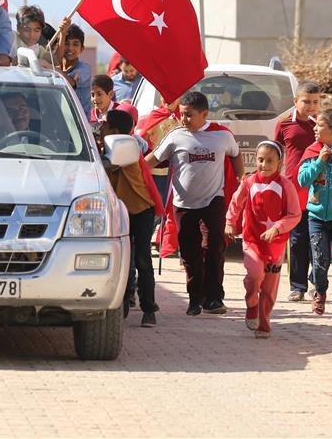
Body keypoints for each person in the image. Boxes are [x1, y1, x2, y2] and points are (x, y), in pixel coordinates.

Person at [146, 91, 244, 316]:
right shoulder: (175, 136)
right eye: (182, 114)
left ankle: (214, 297)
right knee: (189, 253)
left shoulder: (222, 135)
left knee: (214, 247)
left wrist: (241, 179)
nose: (184, 120)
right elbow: (152, 159)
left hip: (213, 200)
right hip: (183, 204)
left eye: (189, 115)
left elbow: (236, 155)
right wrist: (133, 169)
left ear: (204, 114)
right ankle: (195, 298)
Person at [225, 141, 302, 337]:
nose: (264, 165)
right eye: (260, 160)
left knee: (269, 287)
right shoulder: (249, 182)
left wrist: (277, 228)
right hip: (252, 239)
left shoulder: (286, 185)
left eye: (270, 161)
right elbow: (236, 202)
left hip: (275, 244)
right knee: (254, 275)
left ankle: (263, 323)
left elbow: (295, 214)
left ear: (280, 162)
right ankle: (251, 304)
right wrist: (230, 222)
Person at [101, 109, 164, 327]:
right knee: (122, 259)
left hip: (139, 211)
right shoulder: (111, 146)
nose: (101, 129)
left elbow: (105, 166)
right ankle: (126, 300)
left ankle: (149, 308)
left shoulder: (125, 147)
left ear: (116, 131)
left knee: (142, 260)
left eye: (105, 125)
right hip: (121, 211)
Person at [296, 108, 332, 323]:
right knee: (319, 260)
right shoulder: (312, 151)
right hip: (316, 218)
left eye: (320, 125)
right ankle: (320, 292)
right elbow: (302, 180)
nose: (315, 129)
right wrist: (318, 162)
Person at [273, 81, 321, 302]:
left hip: (317, 188)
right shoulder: (283, 125)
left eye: (315, 102)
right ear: (295, 101)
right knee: (296, 238)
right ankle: (297, 286)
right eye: (306, 101)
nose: (311, 106)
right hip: (293, 188)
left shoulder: (321, 125)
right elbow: (276, 154)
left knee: (317, 238)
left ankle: (316, 284)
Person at [55, 18, 92, 114]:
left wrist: (51, 68)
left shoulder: (85, 68)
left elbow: (70, 83)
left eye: (75, 44)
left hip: (78, 126)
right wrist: (62, 34)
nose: (70, 48)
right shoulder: (54, 66)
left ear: (82, 49)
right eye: (66, 43)